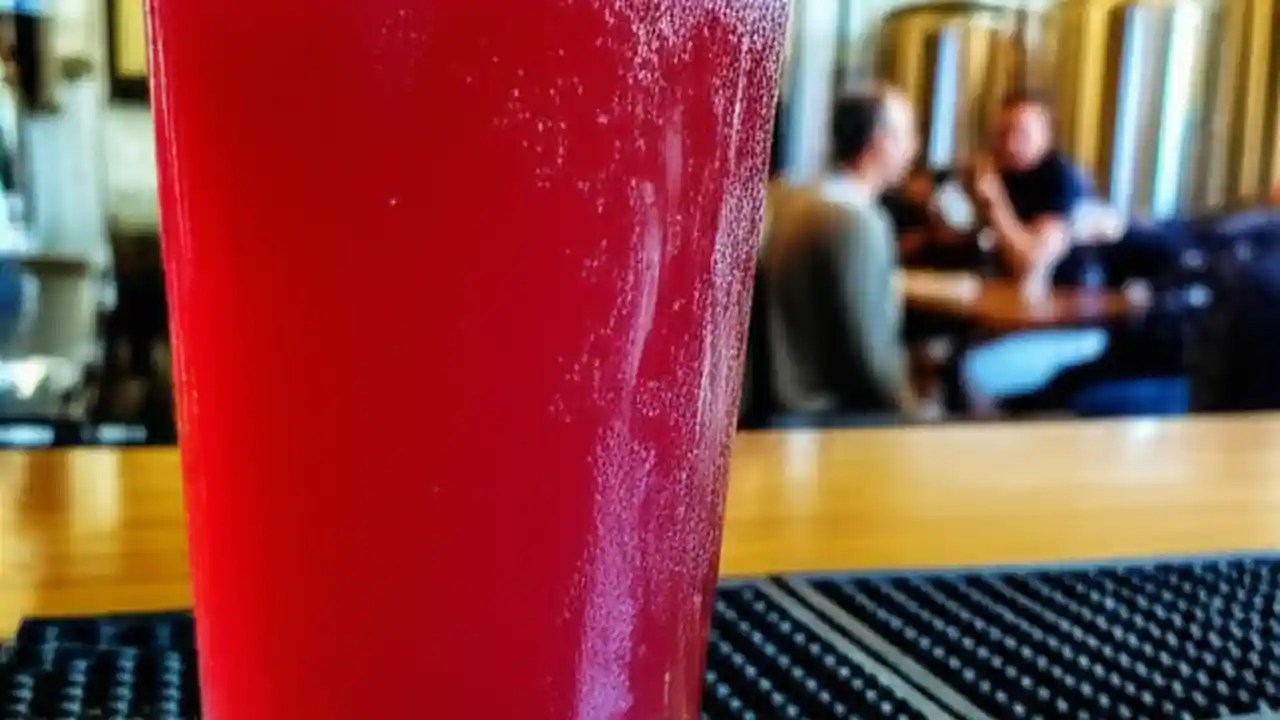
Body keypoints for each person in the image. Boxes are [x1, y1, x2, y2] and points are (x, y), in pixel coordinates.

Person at [762, 86, 920, 421]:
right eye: (907, 135)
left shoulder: (792, 199)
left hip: (772, 408)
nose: (913, 148)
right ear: (880, 142)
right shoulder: (857, 222)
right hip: (825, 418)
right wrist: (917, 417)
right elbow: (873, 358)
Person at [970, 93, 1088, 291]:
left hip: (1057, 299)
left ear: (1046, 136)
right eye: (1002, 134)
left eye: (1021, 134)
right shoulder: (992, 169)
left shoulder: (1059, 178)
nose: (1010, 144)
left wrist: (995, 202)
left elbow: (1030, 263)